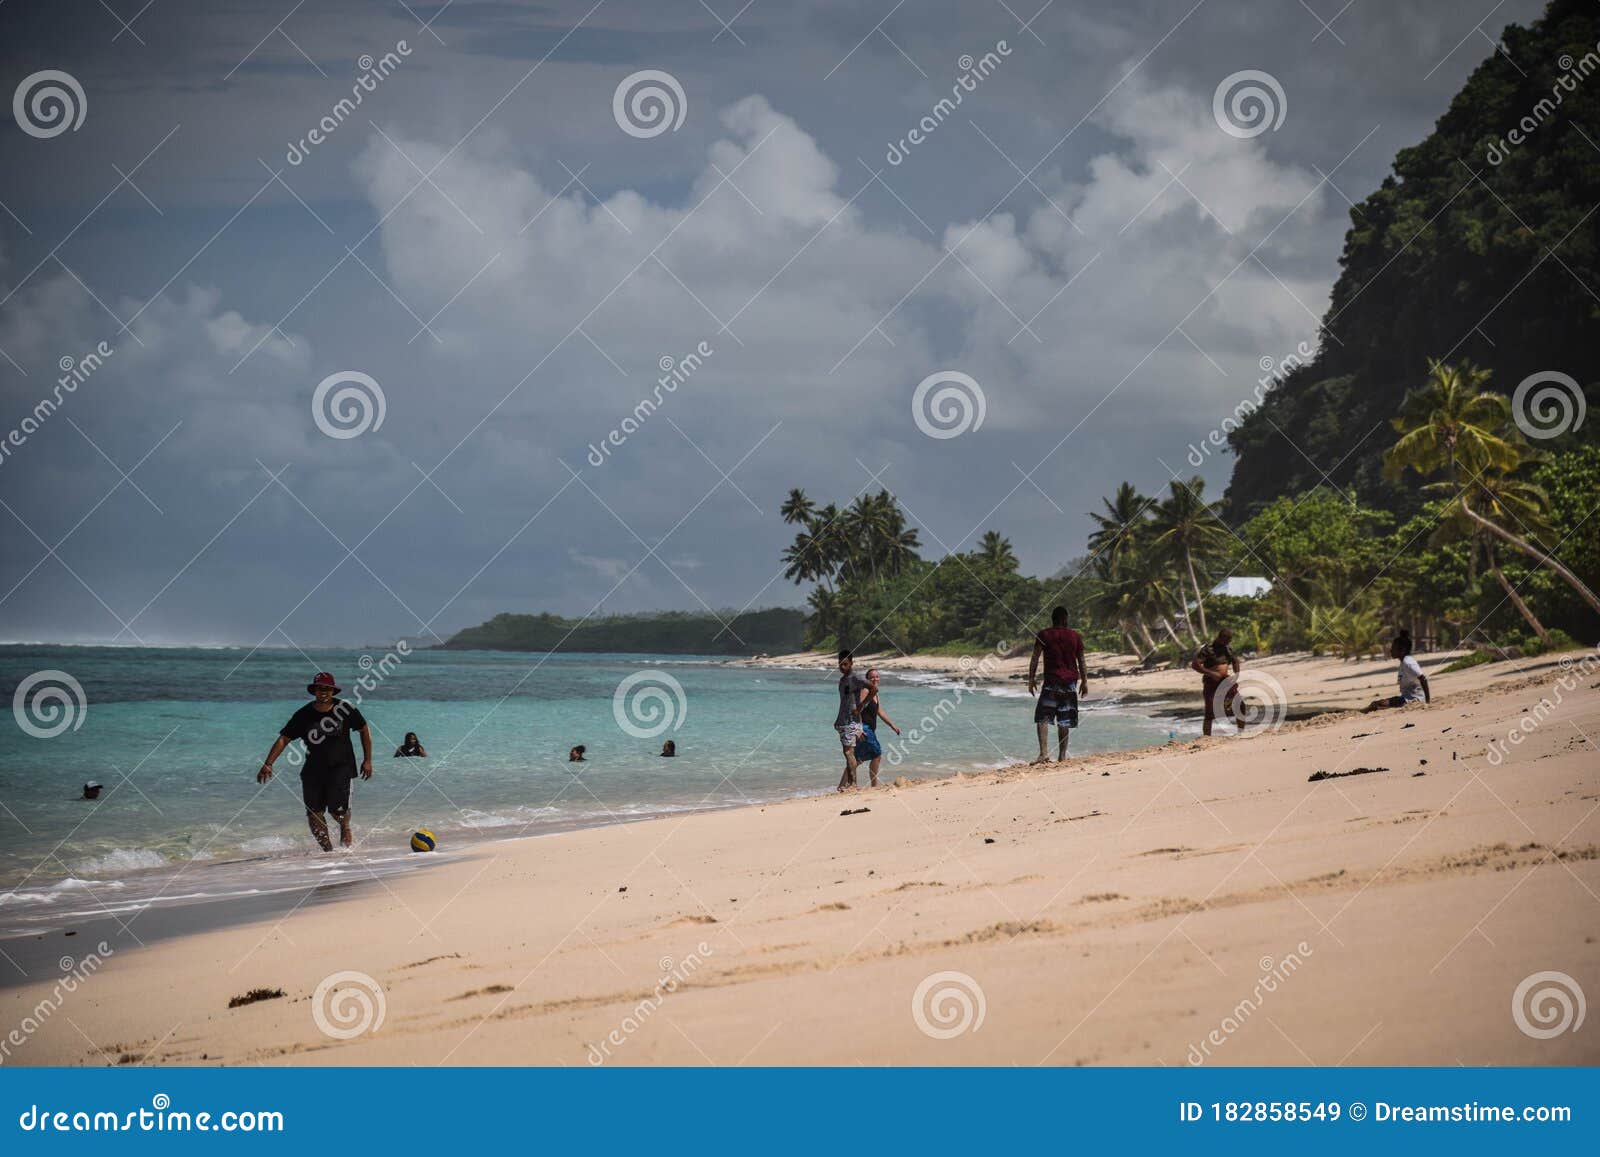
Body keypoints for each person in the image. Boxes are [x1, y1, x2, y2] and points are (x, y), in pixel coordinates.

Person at [257, 671, 373, 851]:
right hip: (313, 771)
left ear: (333, 691)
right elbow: (284, 739)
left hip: (341, 768)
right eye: (319, 689)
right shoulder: (304, 714)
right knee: (314, 814)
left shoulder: (345, 709)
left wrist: (367, 760)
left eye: (327, 689)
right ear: (314, 691)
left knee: (337, 812)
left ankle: (344, 826)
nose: (323, 692)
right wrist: (268, 763)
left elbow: (364, 730)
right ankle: (328, 852)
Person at [1027, 606, 1088, 763]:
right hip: (1069, 683)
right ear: (1064, 619)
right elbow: (1081, 660)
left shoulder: (1044, 634)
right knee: (1065, 719)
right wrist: (1085, 682)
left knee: (1042, 717)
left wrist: (1031, 679)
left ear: (1053, 619)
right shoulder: (1075, 636)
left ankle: (1044, 754)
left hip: (1052, 682)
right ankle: (1062, 756)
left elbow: (1035, 657)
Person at [1192, 627, 1243, 737]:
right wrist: (1211, 673)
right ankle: (1207, 737)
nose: (1228, 642)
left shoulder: (1228, 648)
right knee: (1210, 712)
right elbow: (1195, 665)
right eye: (1227, 639)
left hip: (1226, 682)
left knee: (1240, 705)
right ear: (1221, 637)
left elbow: (1235, 660)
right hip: (1211, 683)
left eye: (1230, 640)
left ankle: (1241, 732)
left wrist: (1236, 674)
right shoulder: (1208, 649)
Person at [1364, 630, 1431, 712]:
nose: (1391, 650)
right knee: (1376, 704)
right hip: (1406, 697)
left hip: (1413, 699)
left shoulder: (1408, 663)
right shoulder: (1404, 661)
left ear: (1402, 650)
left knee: (1376, 705)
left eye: (1393, 648)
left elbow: (1423, 678)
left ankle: (1363, 712)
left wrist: (1427, 701)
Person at [833, 649, 871, 791]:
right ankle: (851, 783)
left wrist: (861, 705)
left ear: (851, 663)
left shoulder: (856, 678)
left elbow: (873, 689)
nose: (842, 667)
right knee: (847, 753)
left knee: (849, 753)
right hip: (842, 721)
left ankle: (854, 784)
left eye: (845, 664)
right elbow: (844, 701)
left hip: (851, 721)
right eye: (840, 664)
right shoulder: (842, 680)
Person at [856, 668, 901, 787]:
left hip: (869, 729)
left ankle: (844, 784)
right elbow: (858, 709)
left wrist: (892, 725)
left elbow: (880, 712)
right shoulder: (865, 691)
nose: (875, 679)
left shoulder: (875, 693)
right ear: (867, 679)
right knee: (877, 754)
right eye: (872, 677)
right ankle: (874, 786)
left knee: (858, 759)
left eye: (877, 676)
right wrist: (859, 728)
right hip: (864, 728)